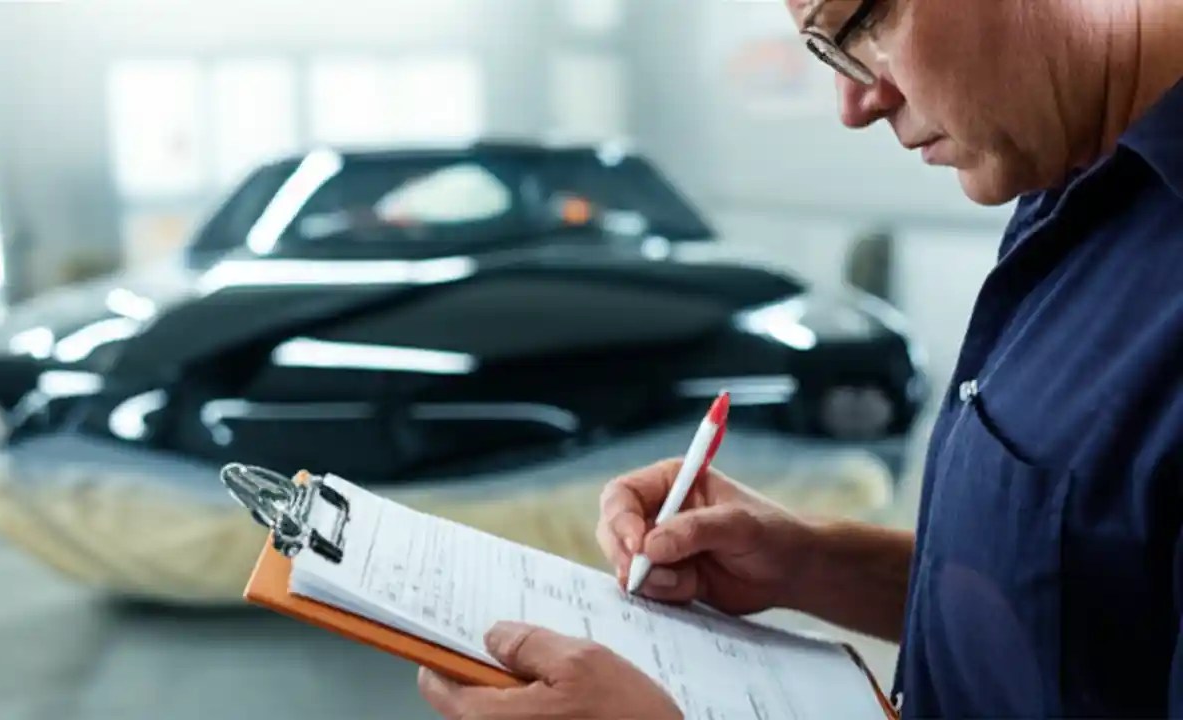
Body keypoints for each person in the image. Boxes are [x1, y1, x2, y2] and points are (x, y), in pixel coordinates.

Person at [419, 0, 1183, 716]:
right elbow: (1092, 607)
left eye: (859, 24)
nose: (856, 103)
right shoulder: (1070, 173)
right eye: (827, 53)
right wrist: (809, 563)